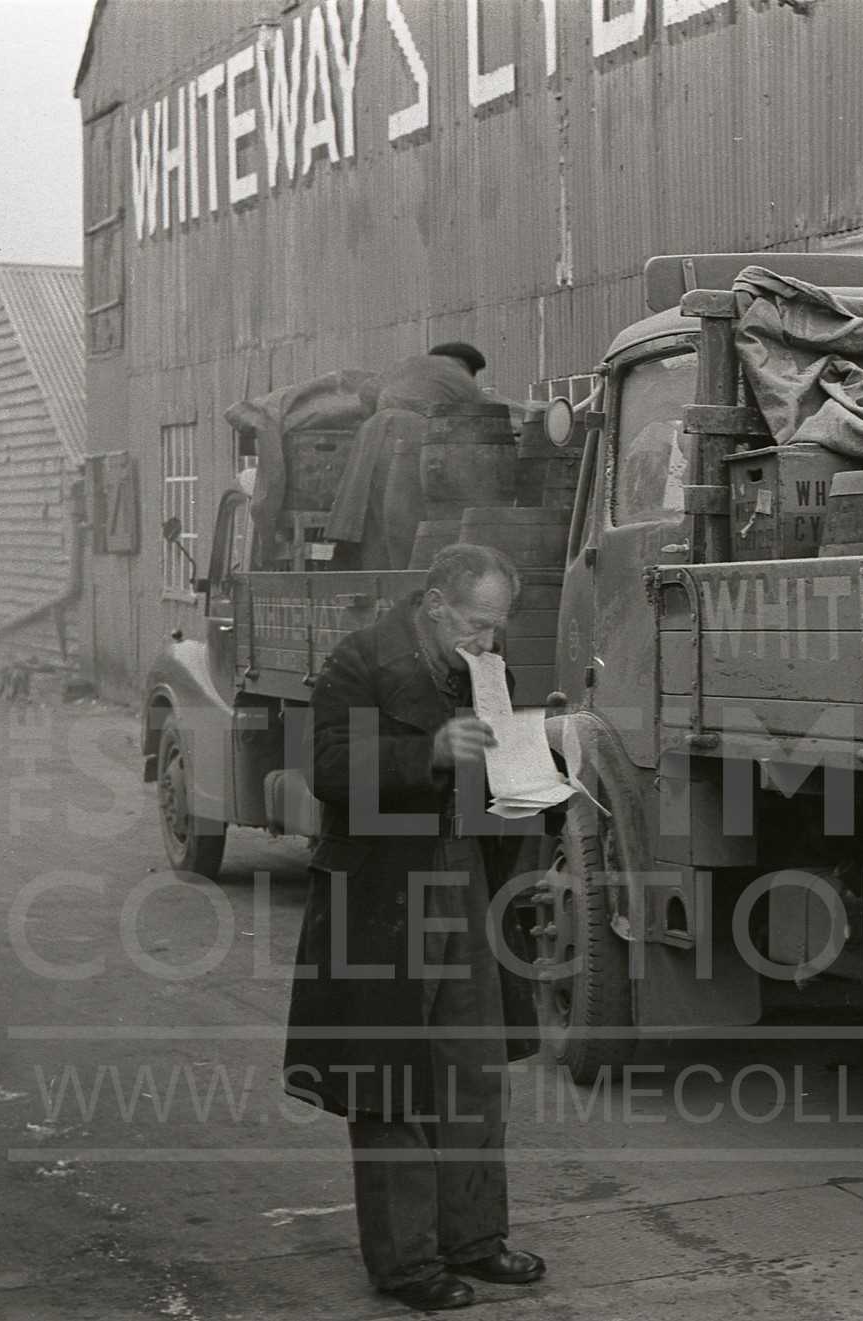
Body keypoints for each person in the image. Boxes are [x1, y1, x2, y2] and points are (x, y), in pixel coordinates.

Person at [282, 543, 545, 1313]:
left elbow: (503, 782)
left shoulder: (485, 670)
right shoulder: (358, 660)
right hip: (381, 892)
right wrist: (427, 750)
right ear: (433, 604)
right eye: (475, 625)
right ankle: (406, 1264)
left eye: (497, 629)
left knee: (474, 1066)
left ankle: (475, 1239)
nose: (488, 644)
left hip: (465, 878)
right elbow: (327, 768)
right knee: (391, 1078)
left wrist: (542, 759)